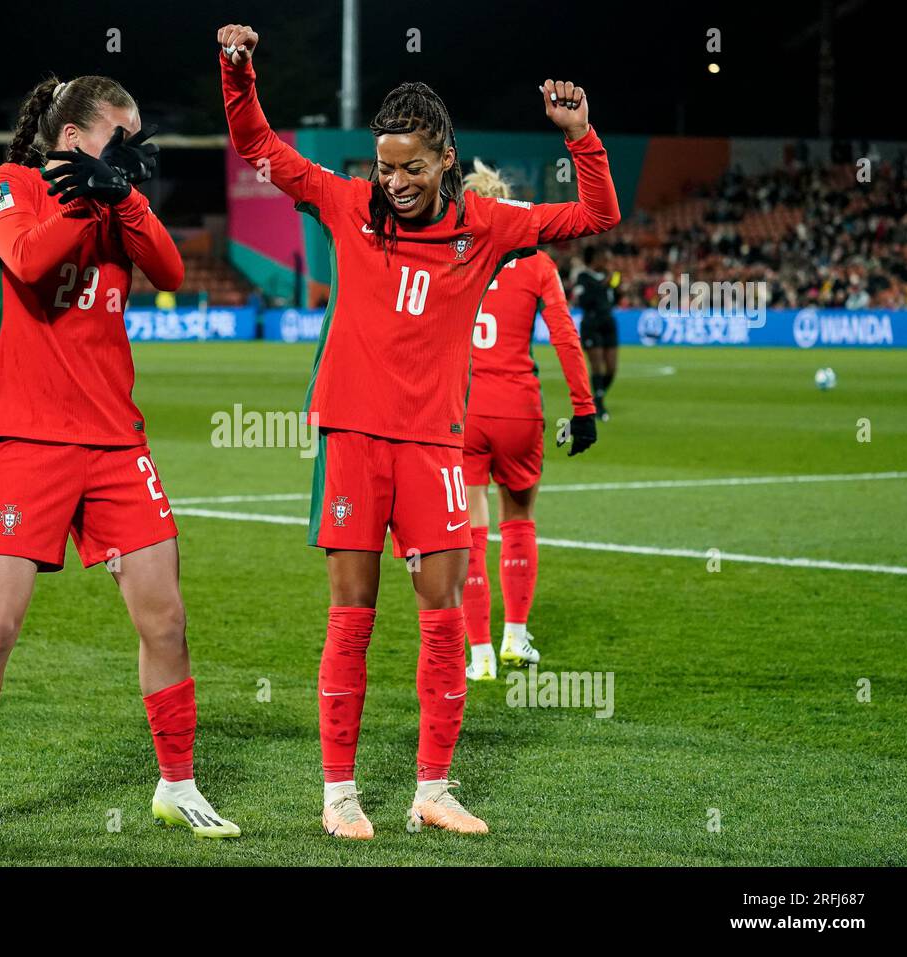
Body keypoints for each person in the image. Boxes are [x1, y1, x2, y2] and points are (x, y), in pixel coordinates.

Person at [219, 22, 619, 839]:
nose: (394, 181)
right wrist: (238, 71)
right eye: (384, 164)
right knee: (351, 617)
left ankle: (431, 788)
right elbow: (257, 143)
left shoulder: (488, 225)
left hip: (437, 444)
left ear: (445, 159)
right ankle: (339, 793)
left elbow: (595, 214)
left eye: (411, 166)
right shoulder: (343, 201)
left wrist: (581, 137)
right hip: (353, 440)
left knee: (442, 619)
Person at [0, 72, 239, 852]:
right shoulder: (9, 185)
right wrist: (85, 197)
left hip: (115, 441)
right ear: (74, 139)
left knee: (165, 618)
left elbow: (169, 271)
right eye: (119, 139)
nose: (132, 154)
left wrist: (124, 196)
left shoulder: (117, 202)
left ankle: (178, 785)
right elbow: (31, 263)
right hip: (28, 442)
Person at [457, 161, 597, 681]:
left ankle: (480, 657)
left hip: (464, 410)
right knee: (518, 523)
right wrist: (584, 409)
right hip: (519, 409)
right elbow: (565, 337)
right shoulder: (538, 264)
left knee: (470, 532)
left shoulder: (455, 257)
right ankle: (515, 638)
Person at [573, 245, 618, 420]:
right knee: (597, 365)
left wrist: (615, 287)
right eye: (603, 257)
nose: (606, 261)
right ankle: (599, 406)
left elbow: (615, 297)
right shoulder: (583, 277)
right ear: (593, 259)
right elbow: (584, 300)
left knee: (612, 368)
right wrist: (602, 286)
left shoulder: (608, 277)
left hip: (608, 321)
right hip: (592, 322)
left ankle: (596, 398)